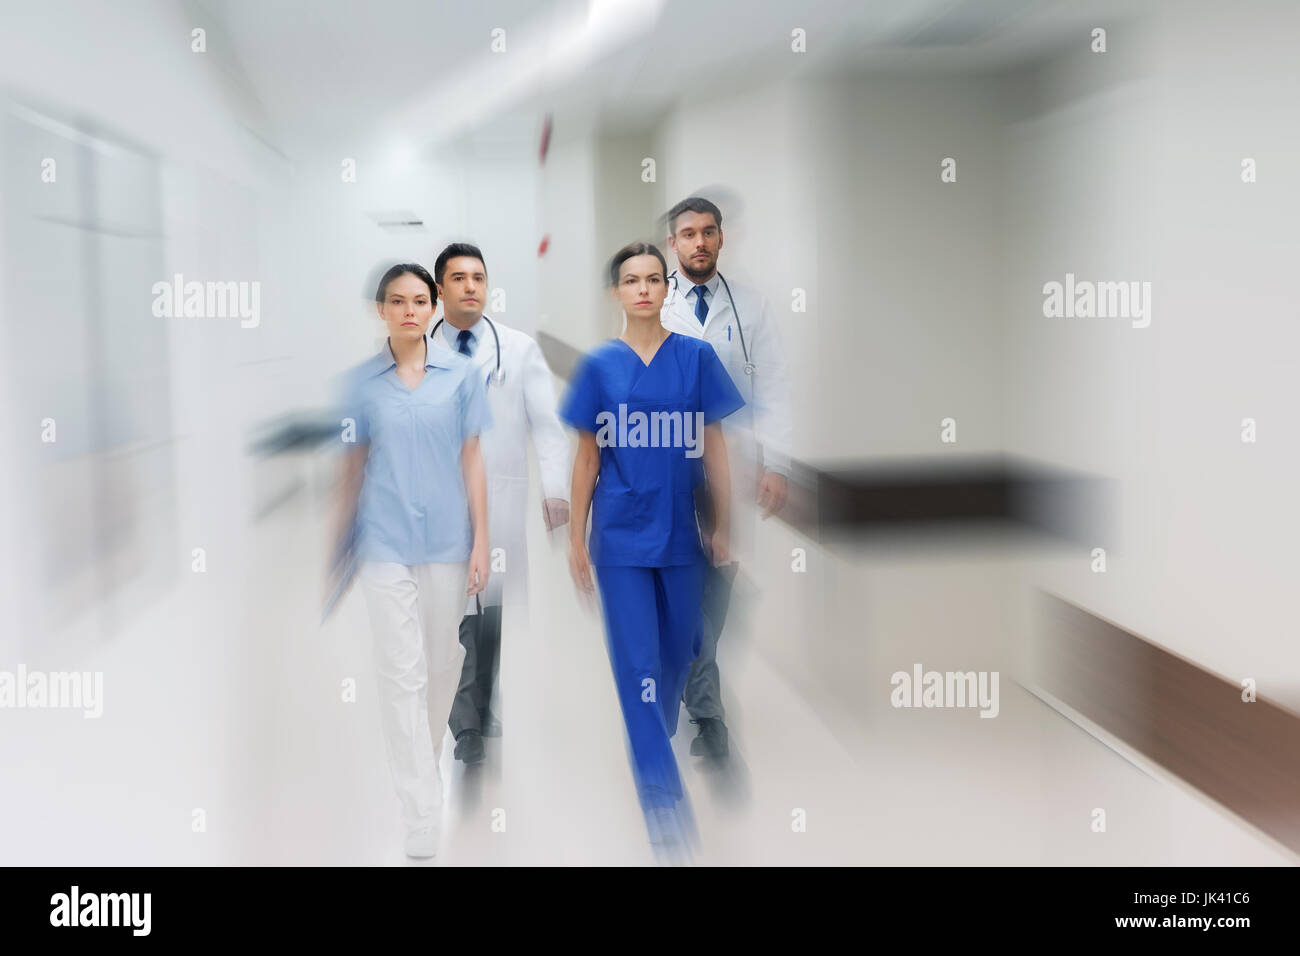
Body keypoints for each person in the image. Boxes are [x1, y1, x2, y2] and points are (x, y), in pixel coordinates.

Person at [562, 242, 744, 861]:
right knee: (637, 672)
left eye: (652, 279)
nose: (642, 288)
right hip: (619, 541)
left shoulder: (695, 358)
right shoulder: (598, 368)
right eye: (630, 280)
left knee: (678, 657)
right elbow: (587, 457)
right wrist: (576, 537)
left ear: (666, 288)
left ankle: (654, 736)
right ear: (615, 292)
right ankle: (663, 809)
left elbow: (715, 451)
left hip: (682, 540)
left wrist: (724, 528)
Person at [331, 263, 492, 859]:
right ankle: (420, 810)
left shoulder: (463, 376)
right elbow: (350, 467)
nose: (409, 310)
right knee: (401, 672)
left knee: (443, 663)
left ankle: (421, 768)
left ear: (433, 308)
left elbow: (472, 459)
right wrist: (338, 546)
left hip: (449, 542)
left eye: (420, 300)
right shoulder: (360, 384)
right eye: (396, 301)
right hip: (383, 544)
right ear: (381, 310)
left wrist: (481, 541)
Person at [660, 196, 793, 759]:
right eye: (687, 234)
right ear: (673, 243)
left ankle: (699, 700)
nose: (699, 243)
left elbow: (776, 389)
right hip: (665, 466)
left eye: (708, 232)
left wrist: (778, 463)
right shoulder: (650, 299)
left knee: (717, 589)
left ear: (721, 239)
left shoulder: (752, 307)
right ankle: (703, 710)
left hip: (730, 465)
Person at [428, 243, 571, 765]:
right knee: (448, 615)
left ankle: (476, 709)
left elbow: (548, 428)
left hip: (500, 501)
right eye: (459, 277)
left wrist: (555, 488)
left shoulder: (518, 349)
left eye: (479, 277)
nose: (471, 286)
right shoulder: (416, 349)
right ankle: (465, 720)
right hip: (436, 504)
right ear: (439, 288)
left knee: (487, 616)